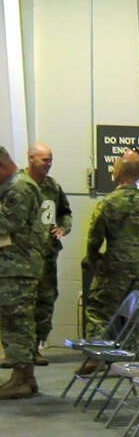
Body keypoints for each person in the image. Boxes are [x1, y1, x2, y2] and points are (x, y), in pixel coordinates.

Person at [83, 156, 139, 339]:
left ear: (117, 174)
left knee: (98, 312)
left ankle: (95, 355)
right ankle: (138, 358)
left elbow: (94, 239)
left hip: (115, 271)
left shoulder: (108, 203)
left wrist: (93, 261)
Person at [20, 143, 73, 366]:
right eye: (44, 160)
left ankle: (35, 348)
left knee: (44, 302)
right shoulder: (17, 185)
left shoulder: (53, 187)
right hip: (21, 260)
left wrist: (63, 228)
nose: (48, 164)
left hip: (46, 257)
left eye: (50, 160)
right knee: (21, 305)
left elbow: (65, 213)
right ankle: (19, 353)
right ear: (31, 159)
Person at [0, 145, 46, 399]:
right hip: (14, 267)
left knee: (17, 323)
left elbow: (8, 222)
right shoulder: (15, 186)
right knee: (16, 322)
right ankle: (23, 376)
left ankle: (22, 378)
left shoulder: (19, 188)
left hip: (18, 268)